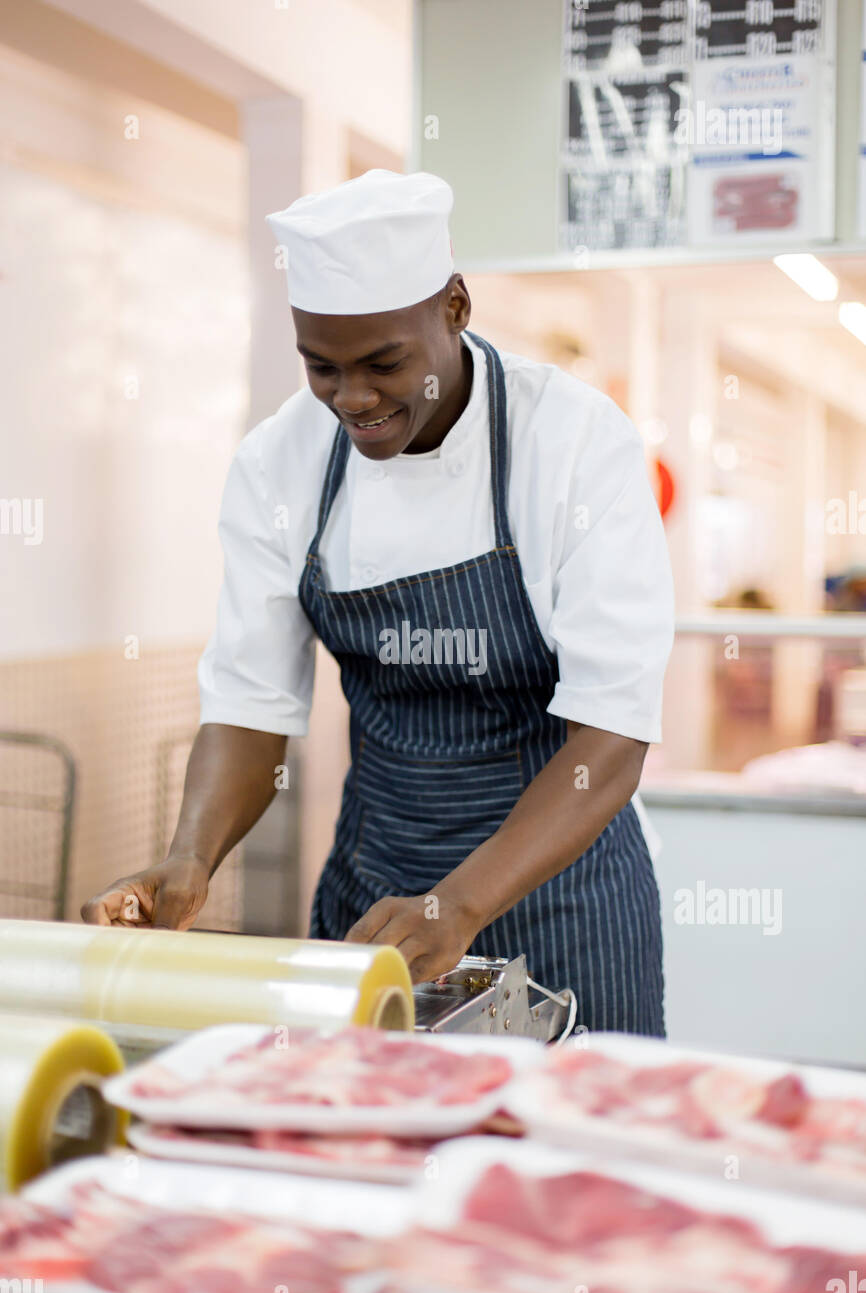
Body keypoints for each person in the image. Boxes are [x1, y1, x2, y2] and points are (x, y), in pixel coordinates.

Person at [82, 169, 674, 1035]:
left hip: (565, 892)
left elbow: (612, 735)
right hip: (378, 890)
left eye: (383, 364)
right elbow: (250, 701)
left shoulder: (574, 443)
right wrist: (190, 857)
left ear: (456, 308)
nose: (352, 400)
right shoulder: (279, 463)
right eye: (322, 367)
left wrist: (460, 904)